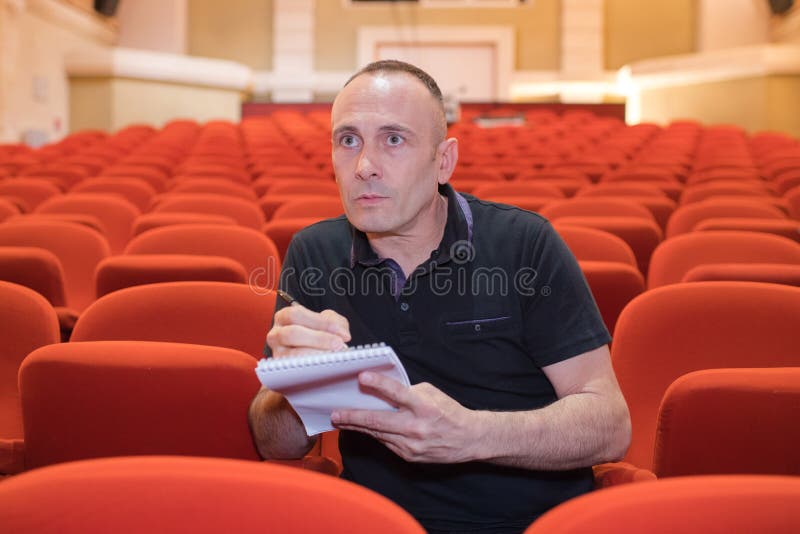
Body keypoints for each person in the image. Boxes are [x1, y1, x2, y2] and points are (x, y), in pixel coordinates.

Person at [249, 60, 631, 533]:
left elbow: (609, 423)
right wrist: (293, 386)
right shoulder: (314, 252)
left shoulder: (524, 244)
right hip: (373, 522)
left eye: (394, 139)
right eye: (348, 140)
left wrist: (473, 435)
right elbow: (276, 446)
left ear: (444, 161)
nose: (365, 166)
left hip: (527, 524)